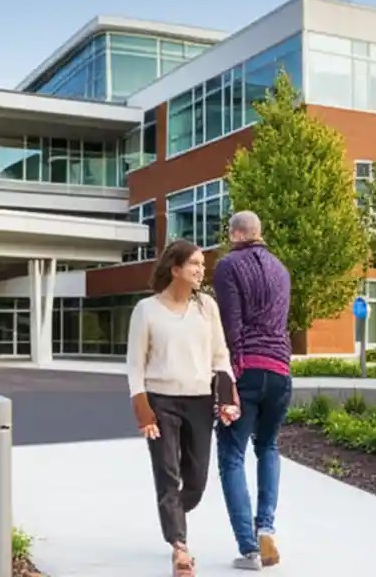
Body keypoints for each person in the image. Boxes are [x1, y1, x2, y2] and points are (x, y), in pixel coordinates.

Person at [126, 239, 239, 577]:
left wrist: (227, 398)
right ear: (175, 269)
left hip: (200, 401)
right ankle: (180, 548)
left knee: (196, 482)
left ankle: (171, 511)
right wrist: (142, 410)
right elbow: (135, 365)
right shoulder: (146, 310)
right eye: (194, 264)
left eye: (202, 264)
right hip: (160, 401)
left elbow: (220, 355)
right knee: (167, 474)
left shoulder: (207, 307)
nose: (201, 270)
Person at [211, 211, 293, 571]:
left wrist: (229, 378)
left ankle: (249, 548)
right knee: (268, 446)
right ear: (259, 233)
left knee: (232, 455)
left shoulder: (228, 266)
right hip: (280, 371)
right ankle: (267, 527)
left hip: (246, 370)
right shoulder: (281, 270)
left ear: (234, 234)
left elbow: (231, 327)